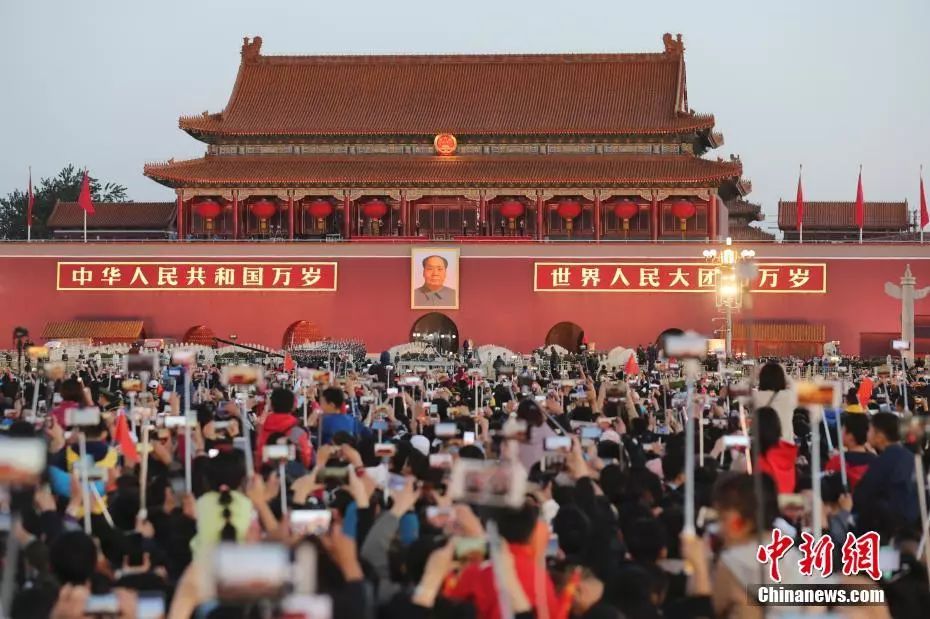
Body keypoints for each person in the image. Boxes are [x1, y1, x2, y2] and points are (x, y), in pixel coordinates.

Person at [853, 412, 920, 538]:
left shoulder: (884, 461)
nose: (868, 434)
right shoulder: (910, 457)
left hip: (886, 527)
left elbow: (861, 496)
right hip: (912, 522)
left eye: (870, 430)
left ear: (880, 436)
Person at [255, 387, 313, 468]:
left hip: (267, 474)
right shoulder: (298, 430)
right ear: (293, 406)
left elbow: (259, 457)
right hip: (293, 477)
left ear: (271, 405)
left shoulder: (261, 429)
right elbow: (306, 460)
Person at [824, 411, 876, 490]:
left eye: (843, 430)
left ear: (850, 436)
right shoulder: (877, 461)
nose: (841, 433)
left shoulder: (837, 462)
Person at [753, 362, 797, 442]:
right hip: (785, 448)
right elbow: (793, 384)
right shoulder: (789, 396)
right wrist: (784, 372)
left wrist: (754, 375)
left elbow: (739, 389)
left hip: (763, 449)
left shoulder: (755, 397)